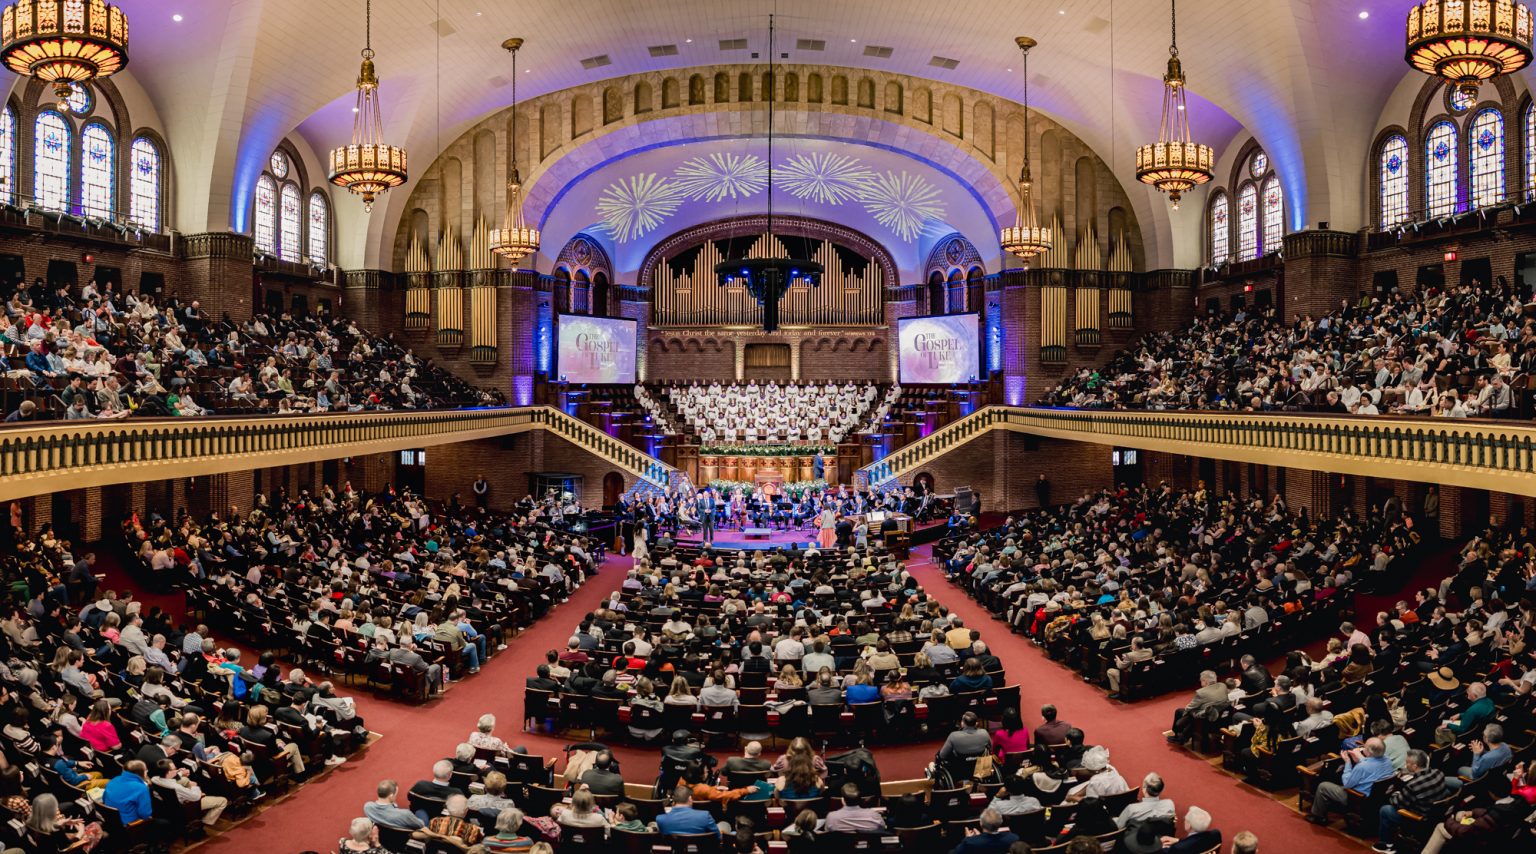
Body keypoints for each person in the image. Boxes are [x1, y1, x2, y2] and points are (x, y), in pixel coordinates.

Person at [1374, 749, 1448, 853]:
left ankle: (1386, 844)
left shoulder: (1413, 785)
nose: (1405, 764)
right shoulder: (1438, 772)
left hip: (1418, 819)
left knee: (1385, 810)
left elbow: (1396, 803)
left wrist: (1395, 793)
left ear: (1414, 766)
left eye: (1407, 763)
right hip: (1435, 813)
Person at [1308, 738, 1394, 825]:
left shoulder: (1362, 767)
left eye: (1364, 747)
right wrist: (1360, 759)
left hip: (1356, 798)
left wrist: (1348, 762)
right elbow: (1372, 765)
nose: (1363, 748)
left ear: (1368, 752)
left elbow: (1347, 784)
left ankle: (1318, 817)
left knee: (1323, 786)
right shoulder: (1387, 760)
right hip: (1376, 798)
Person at [655, 786, 720, 836]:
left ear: (673, 800)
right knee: (724, 824)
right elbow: (718, 837)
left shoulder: (660, 819)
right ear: (690, 798)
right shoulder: (705, 815)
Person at [950, 808, 1018, 853]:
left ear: (980, 823)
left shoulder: (970, 842)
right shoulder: (1014, 838)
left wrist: (968, 838)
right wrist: (979, 838)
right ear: (1001, 822)